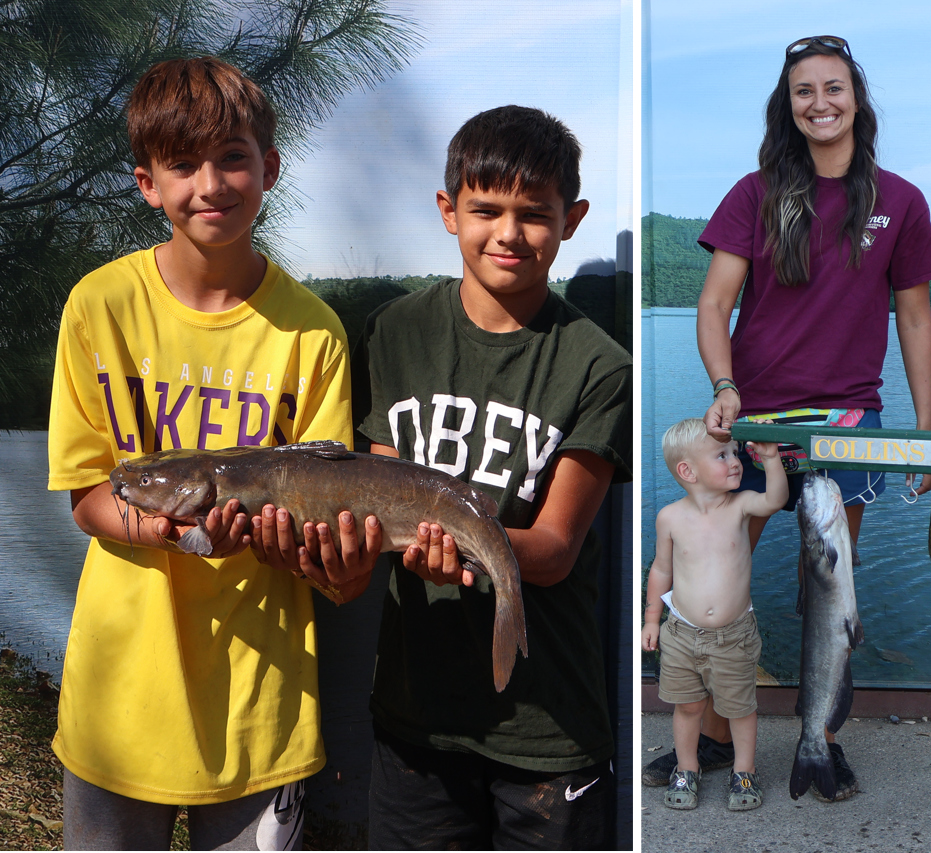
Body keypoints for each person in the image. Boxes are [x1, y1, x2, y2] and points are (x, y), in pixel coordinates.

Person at [45, 57, 364, 849]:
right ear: (147, 183)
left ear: (270, 169)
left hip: (262, 712)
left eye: (231, 157)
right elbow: (88, 494)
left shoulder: (314, 329)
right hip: (118, 708)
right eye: (183, 164)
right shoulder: (98, 305)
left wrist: (331, 557)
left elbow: (331, 505)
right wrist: (171, 531)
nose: (210, 183)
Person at [642, 33, 931, 802]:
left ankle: (824, 739)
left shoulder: (900, 201)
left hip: (849, 419)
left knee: (830, 589)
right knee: (716, 580)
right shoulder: (755, 193)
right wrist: (724, 383)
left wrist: (925, 426)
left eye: (833, 88)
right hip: (750, 422)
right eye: (804, 91)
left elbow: (914, 320)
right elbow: (714, 304)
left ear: (857, 99)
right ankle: (712, 739)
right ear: (788, 104)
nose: (820, 103)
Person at [352, 105, 631, 850]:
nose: (508, 233)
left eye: (534, 214)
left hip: (547, 727)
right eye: (485, 209)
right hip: (418, 718)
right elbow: (380, 509)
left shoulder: (598, 364)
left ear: (571, 220)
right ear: (449, 211)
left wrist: (470, 545)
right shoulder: (396, 331)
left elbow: (556, 546)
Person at [642, 419, 786, 811]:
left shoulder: (740, 506)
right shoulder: (670, 518)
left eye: (735, 453)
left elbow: (774, 499)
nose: (735, 461)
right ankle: (687, 768)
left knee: (739, 708)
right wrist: (652, 617)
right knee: (687, 706)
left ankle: (745, 770)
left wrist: (770, 459)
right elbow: (661, 570)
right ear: (687, 471)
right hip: (681, 634)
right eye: (722, 455)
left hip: (733, 635)